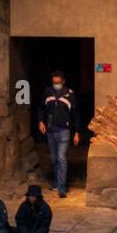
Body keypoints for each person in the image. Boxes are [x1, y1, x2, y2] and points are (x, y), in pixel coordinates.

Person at [40, 70, 80, 198]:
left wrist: (77, 133)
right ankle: (57, 183)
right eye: (54, 82)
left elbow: (76, 115)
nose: (56, 84)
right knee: (54, 158)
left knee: (61, 157)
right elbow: (40, 109)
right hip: (50, 131)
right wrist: (41, 122)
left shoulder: (70, 95)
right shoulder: (47, 92)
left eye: (58, 82)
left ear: (63, 81)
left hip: (64, 132)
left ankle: (62, 187)